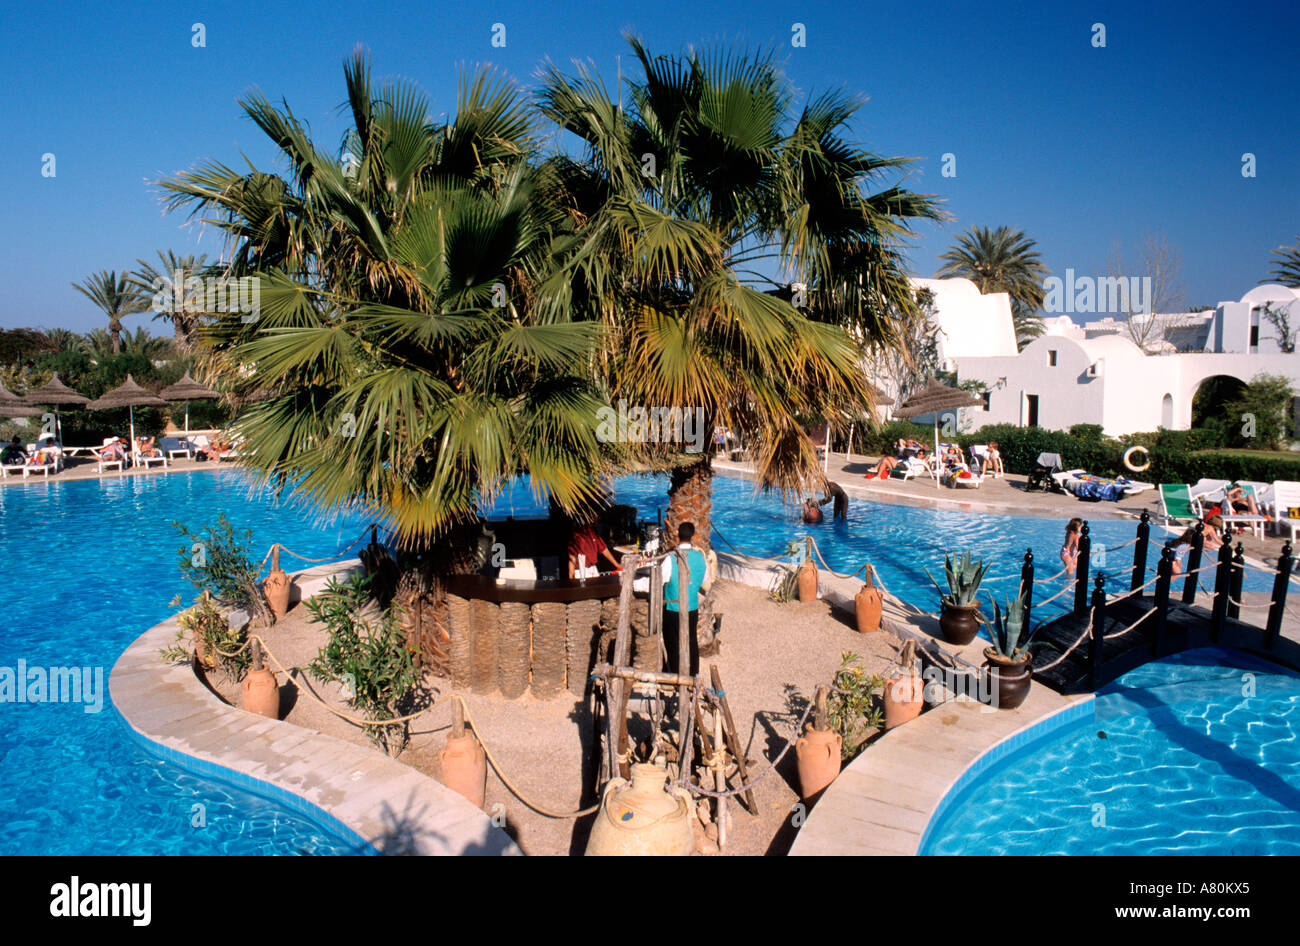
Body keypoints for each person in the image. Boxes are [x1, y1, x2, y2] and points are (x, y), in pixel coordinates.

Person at [659, 522, 707, 675]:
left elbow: (661, 578)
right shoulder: (700, 557)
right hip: (692, 607)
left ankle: (675, 674)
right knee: (691, 641)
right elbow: (705, 580)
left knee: (672, 642)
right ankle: (693, 674)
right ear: (692, 536)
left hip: (673, 607)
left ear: (677, 534)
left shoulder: (671, 558)